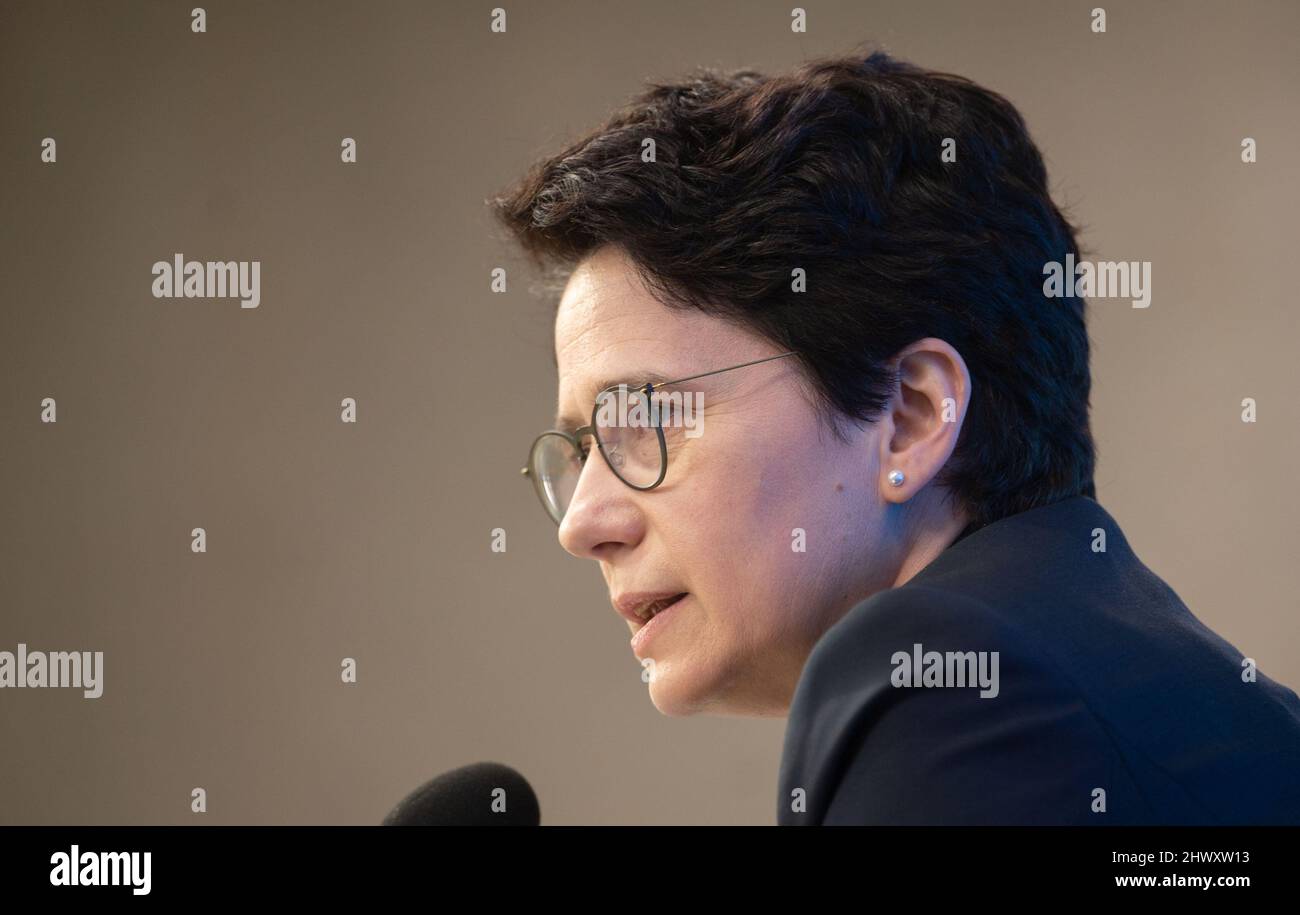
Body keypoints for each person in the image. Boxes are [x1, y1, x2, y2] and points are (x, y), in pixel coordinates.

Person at [488, 50, 1300, 824]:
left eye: (648, 419)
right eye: (582, 449)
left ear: (911, 416)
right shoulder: (1211, 710)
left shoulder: (956, 684)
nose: (582, 521)